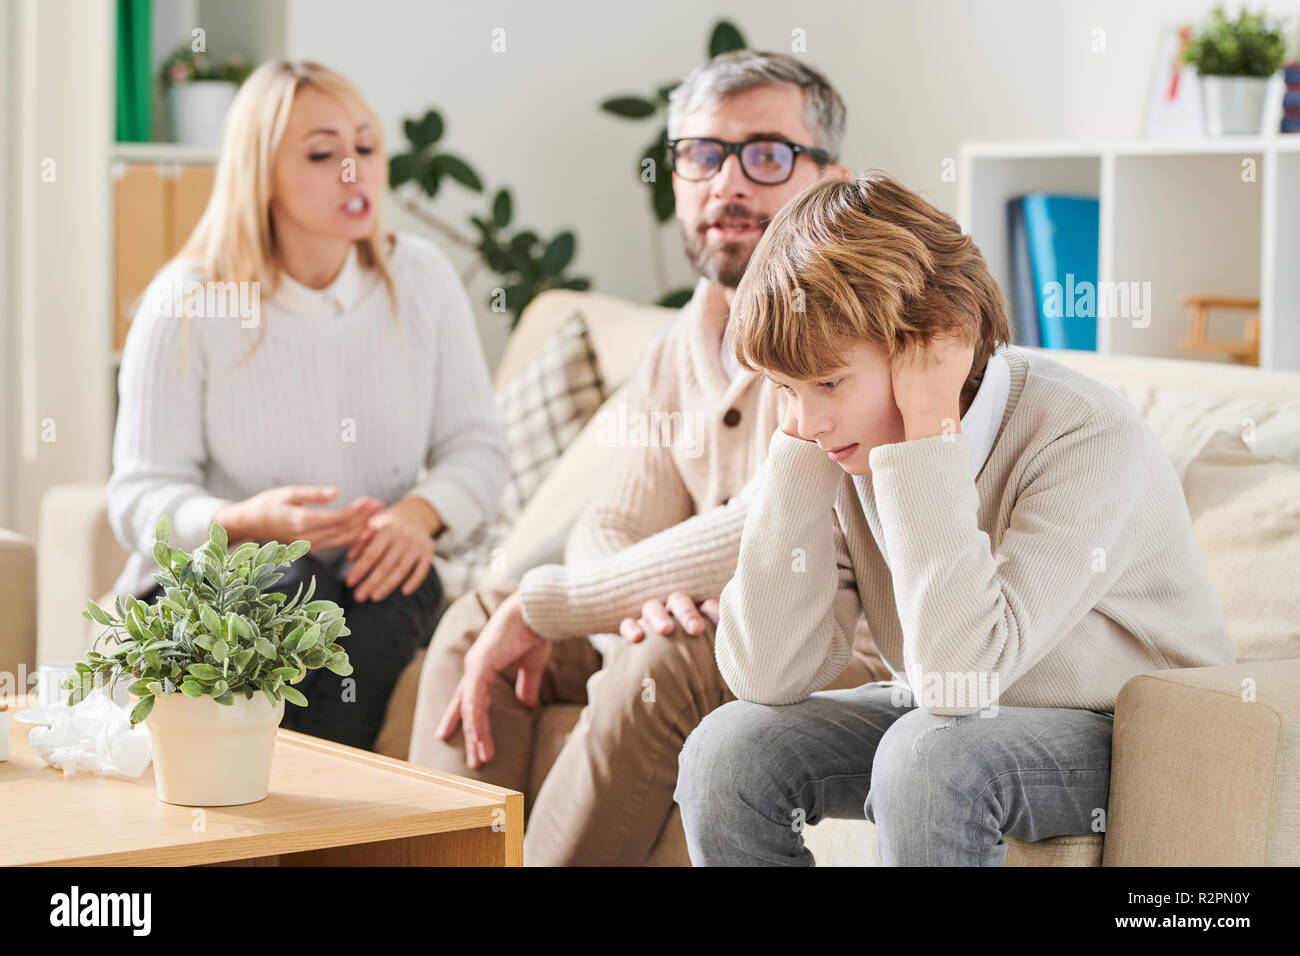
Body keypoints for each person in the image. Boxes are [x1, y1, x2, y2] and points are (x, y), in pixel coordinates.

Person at [408, 50, 892, 865]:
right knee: (477, 624)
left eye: (766, 155)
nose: (726, 185)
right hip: (695, 623)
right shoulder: (687, 338)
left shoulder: (848, 330)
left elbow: (775, 523)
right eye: (702, 155)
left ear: (828, 177)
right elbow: (613, 521)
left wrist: (600, 600)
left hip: (833, 648)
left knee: (659, 660)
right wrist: (631, 598)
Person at [673, 172, 1236, 865]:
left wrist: (927, 442)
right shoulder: (839, 444)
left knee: (930, 756)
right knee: (727, 750)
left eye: (827, 382)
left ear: (941, 341)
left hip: (1128, 727)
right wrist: (796, 461)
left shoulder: (1086, 435)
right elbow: (766, 674)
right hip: (955, 718)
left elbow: (960, 676)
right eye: (785, 388)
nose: (808, 420)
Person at [107, 60, 509, 752]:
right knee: (295, 578)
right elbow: (138, 495)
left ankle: (308, 837)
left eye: (366, 147)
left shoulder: (421, 279)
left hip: (370, 577)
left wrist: (418, 515)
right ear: (258, 174)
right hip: (219, 585)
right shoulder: (188, 300)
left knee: (390, 592)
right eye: (324, 154)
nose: (354, 172)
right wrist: (245, 523)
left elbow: (478, 448)